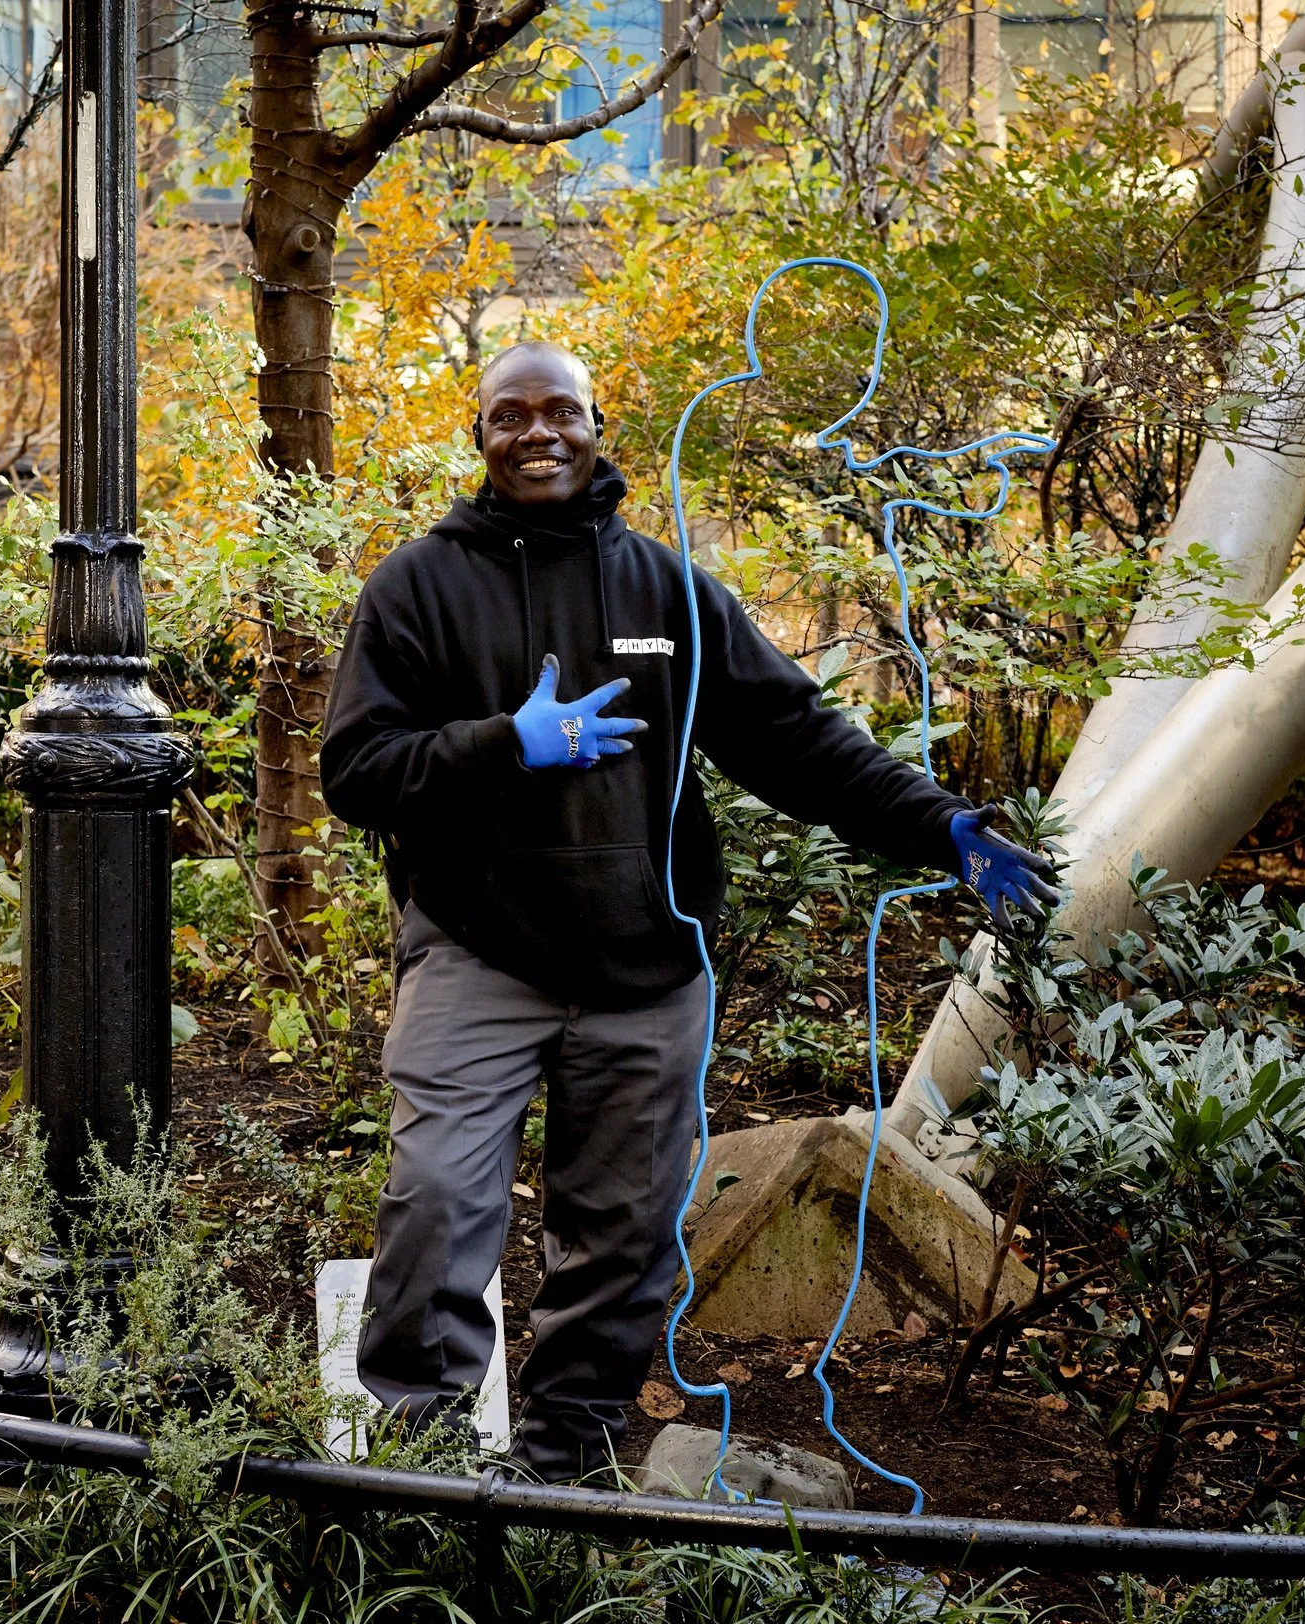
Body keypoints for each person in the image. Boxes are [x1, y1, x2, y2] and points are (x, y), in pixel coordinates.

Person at [320, 341, 1059, 1483]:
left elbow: (800, 743)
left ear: (596, 421)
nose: (537, 433)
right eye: (509, 414)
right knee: (436, 1201)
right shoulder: (417, 585)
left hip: (647, 964)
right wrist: (504, 743)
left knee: (621, 1236)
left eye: (559, 410)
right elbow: (355, 769)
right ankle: (415, 1467)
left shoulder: (666, 590)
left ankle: (560, 1466)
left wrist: (940, 826)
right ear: (478, 435)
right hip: (478, 949)